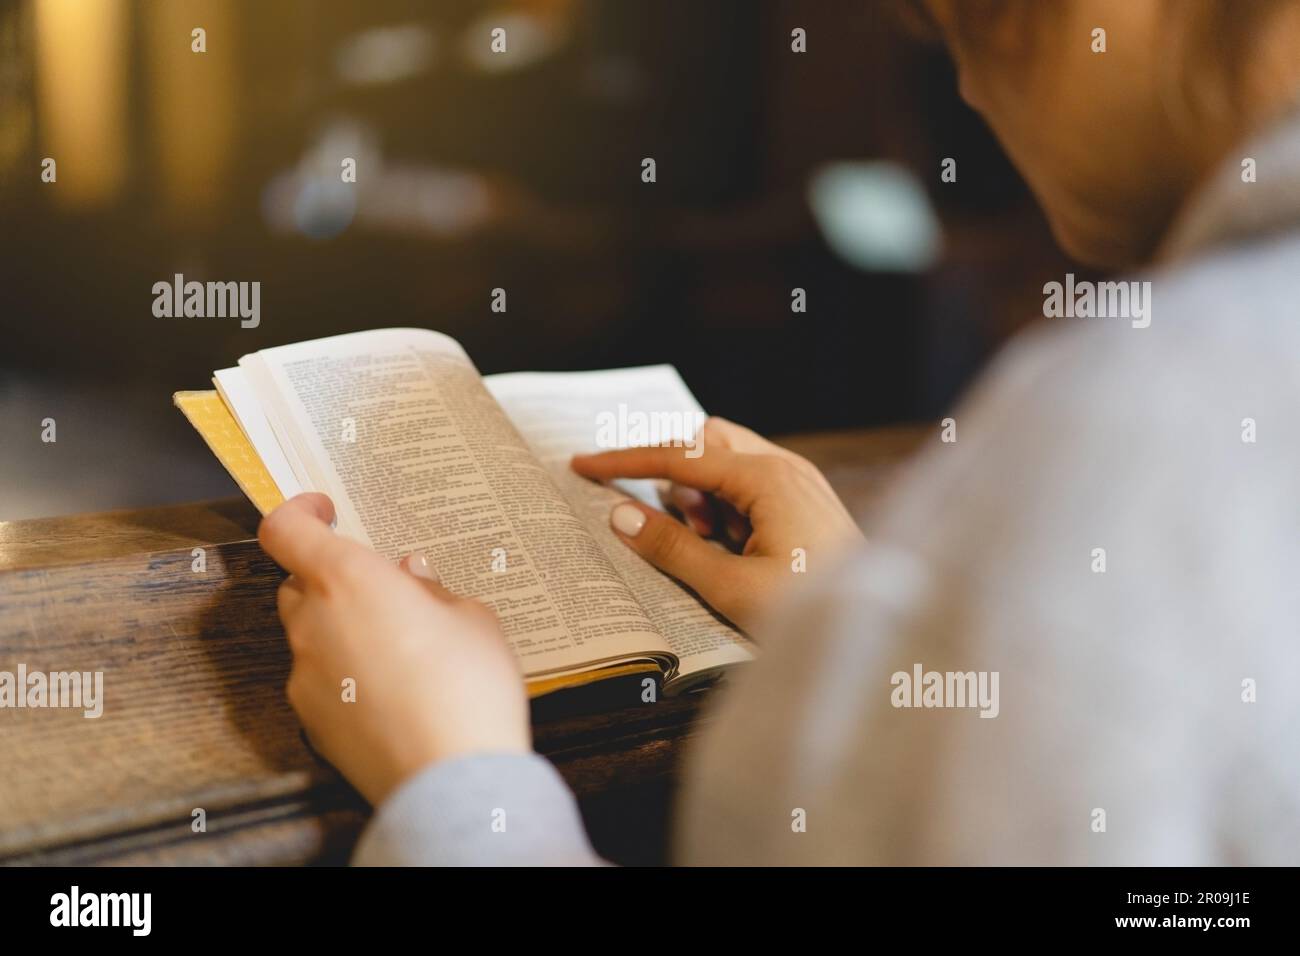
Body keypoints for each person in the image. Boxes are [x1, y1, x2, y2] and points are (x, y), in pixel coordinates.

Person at [257, 0, 1300, 865]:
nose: (975, 93)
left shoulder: (1126, 430)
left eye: (953, 26)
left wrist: (453, 778)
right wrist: (871, 634)